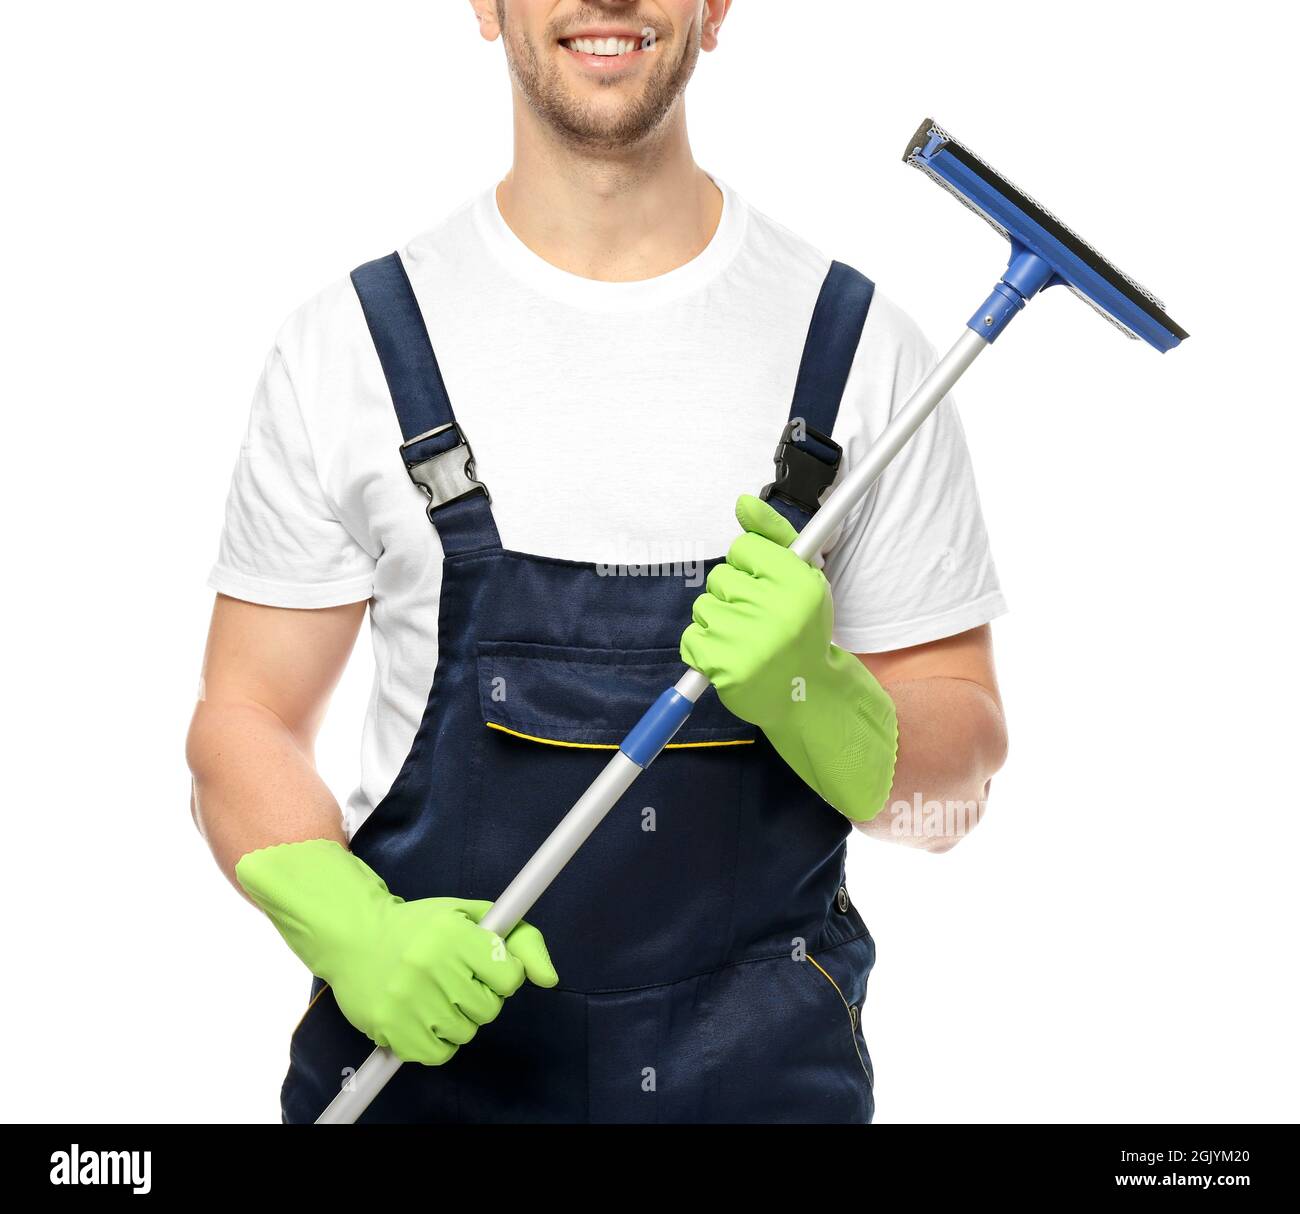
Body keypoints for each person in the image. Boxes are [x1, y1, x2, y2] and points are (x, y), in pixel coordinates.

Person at [187, 0, 1009, 1124]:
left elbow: (949, 804)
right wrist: (348, 919)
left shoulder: (865, 355)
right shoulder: (349, 346)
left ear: (716, 7)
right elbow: (243, 719)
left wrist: (814, 689)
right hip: (424, 1088)